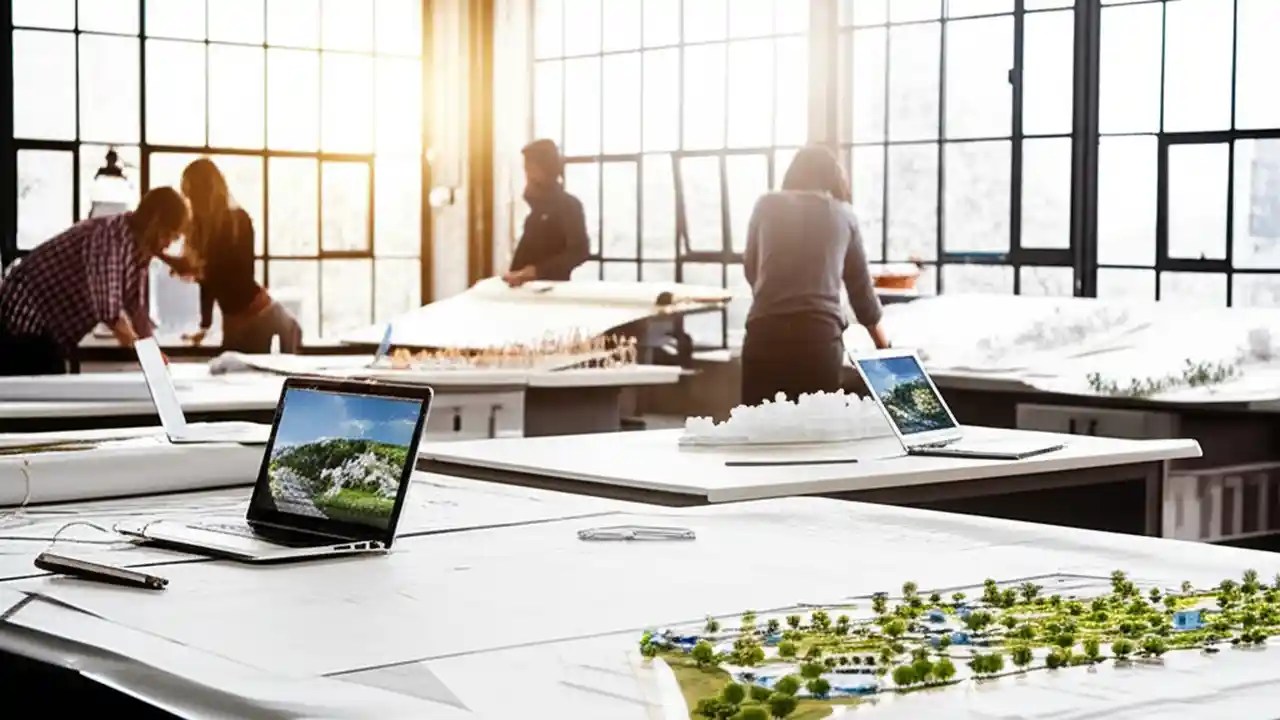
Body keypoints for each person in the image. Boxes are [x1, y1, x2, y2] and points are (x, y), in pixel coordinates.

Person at [740, 145, 891, 407]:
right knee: (815, 435)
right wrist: (885, 349)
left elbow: (752, 268)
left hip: (764, 335)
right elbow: (861, 294)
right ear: (834, 178)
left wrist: (776, 299)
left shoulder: (766, 205)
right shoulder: (844, 214)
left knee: (757, 431)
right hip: (818, 340)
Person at [0, 187, 189, 375]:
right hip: (22, 320)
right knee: (40, 392)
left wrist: (153, 352)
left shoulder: (136, 251)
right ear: (155, 224)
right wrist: (146, 358)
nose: (168, 244)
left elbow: (136, 307)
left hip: (46, 333)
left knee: (51, 382)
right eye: (170, 235)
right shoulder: (109, 238)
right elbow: (110, 313)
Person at [179, 158, 302, 353]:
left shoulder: (238, 221)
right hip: (235, 319)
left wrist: (202, 269)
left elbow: (243, 275)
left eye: (192, 195)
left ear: (205, 192)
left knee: (245, 375)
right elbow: (207, 286)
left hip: (258, 314)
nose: (191, 202)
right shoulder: (201, 229)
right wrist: (205, 325)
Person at [503, 138, 590, 287]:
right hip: (525, 289)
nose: (528, 176)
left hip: (551, 290)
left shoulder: (568, 205)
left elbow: (579, 251)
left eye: (532, 169)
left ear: (547, 168)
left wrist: (537, 271)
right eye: (526, 170)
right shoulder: (536, 211)